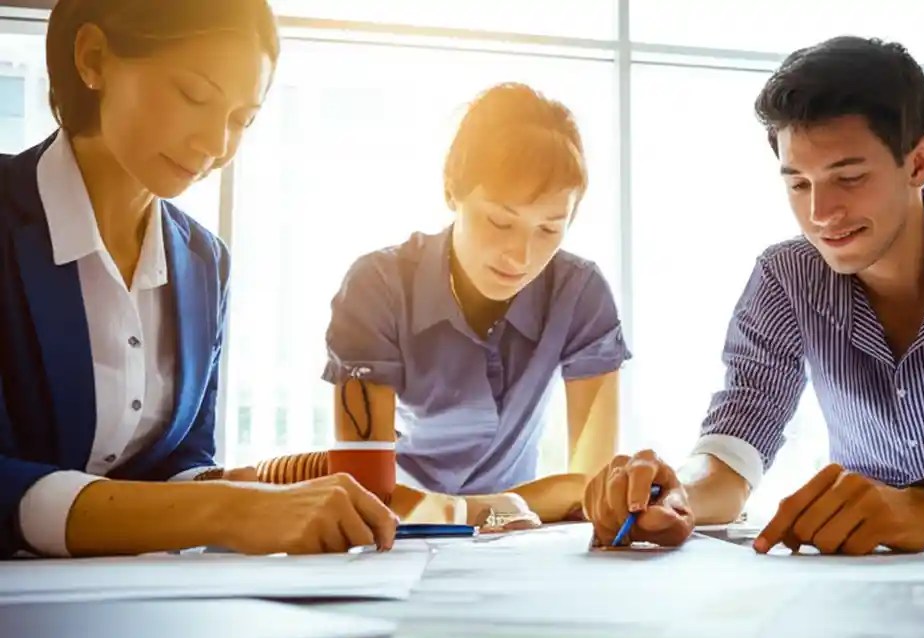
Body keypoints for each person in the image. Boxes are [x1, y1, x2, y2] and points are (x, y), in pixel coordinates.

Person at [584, 36, 924, 555]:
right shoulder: (786, 276)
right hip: (871, 576)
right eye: (798, 183)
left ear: (917, 162)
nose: (821, 214)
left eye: (848, 177)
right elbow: (729, 455)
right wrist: (676, 496)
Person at [0, 0, 397, 558]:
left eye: (241, 119)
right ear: (92, 59)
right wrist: (226, 510)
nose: (217, 145)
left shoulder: (205, 262)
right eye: (194, 95)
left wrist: (255, 492)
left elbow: (178, 462)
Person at [324, 83, 630, 527]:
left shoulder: (579, 292)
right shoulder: (377, 287)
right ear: (453, 189)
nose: (521, 256)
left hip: (520, 539)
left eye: (548, 230)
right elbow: (366, 489)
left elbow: (593, 488)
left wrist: (478, 511)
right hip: (399, 536)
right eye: (500, 221)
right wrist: (498, 509)